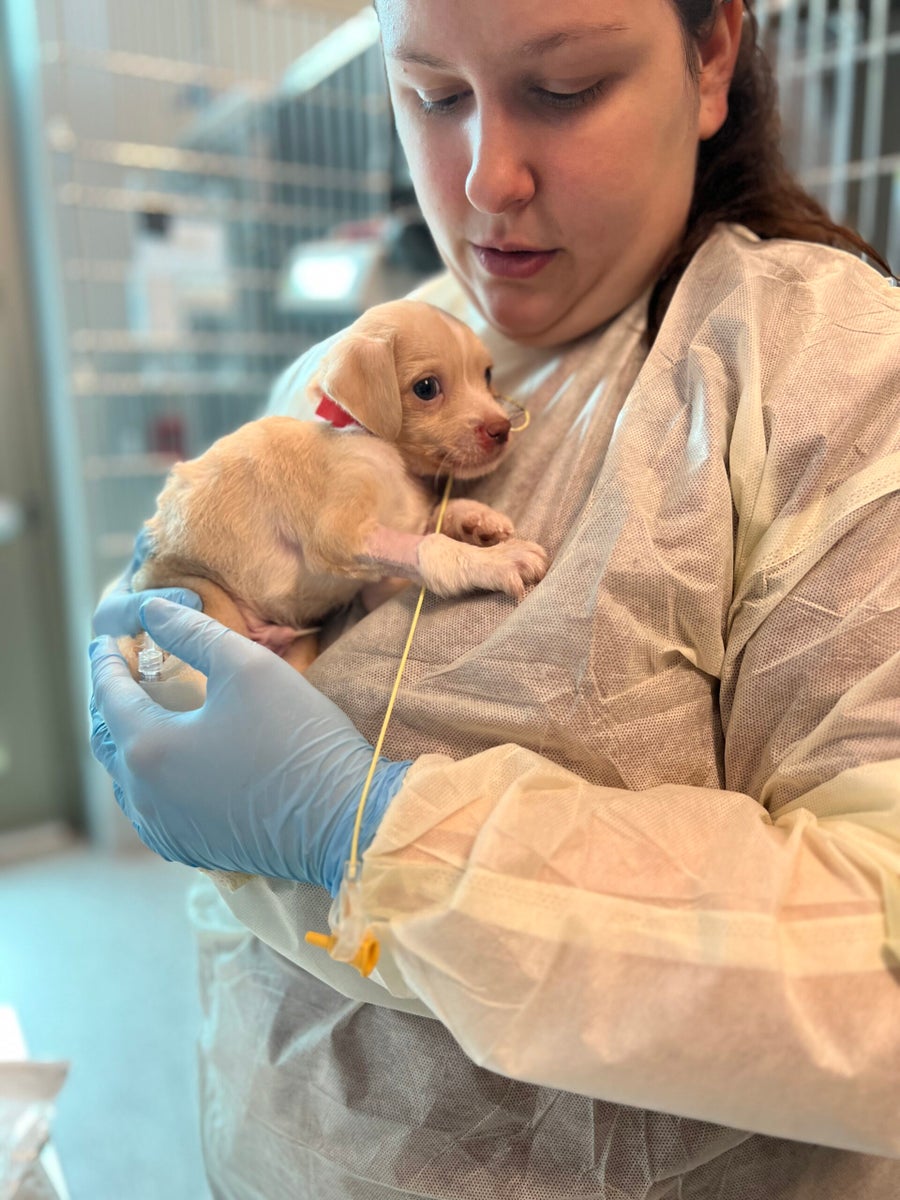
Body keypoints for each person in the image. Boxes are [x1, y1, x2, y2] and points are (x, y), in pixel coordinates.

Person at [89, 0, 900, 1195]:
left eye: (564, 89)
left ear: (712, 54)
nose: (487, 182)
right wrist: (160, 639)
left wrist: (371, 829)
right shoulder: (368, 354)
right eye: (432, 94)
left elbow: (872, 969)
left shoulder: (827, 369)